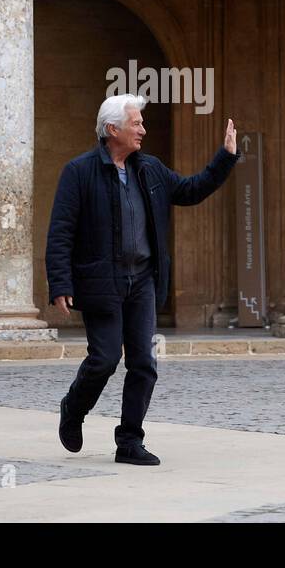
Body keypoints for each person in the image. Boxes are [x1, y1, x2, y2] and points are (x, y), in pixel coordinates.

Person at [47, 93, 238, 465]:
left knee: (143, 364)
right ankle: (73, 408)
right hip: (102, 283)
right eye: (137, 123)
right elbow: (61, 232)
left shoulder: (149, 168)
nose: (143, 130)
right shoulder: (79, 171)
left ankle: (129, 442)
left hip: (143, 281)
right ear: (111, 129)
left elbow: (191, 189)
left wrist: (225, 157)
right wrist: (60, 284)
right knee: (103, 359)